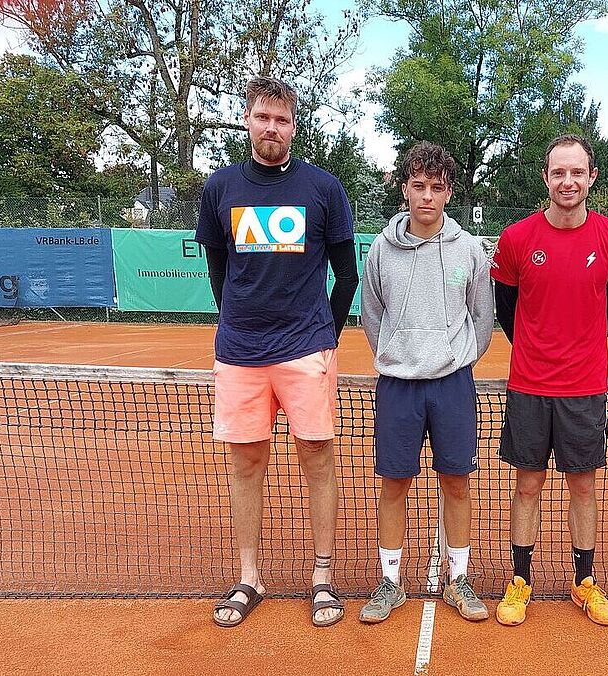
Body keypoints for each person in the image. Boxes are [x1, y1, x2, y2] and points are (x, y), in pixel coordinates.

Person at [195, 76, 359, 629]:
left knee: (318, 456)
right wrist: (237, 318)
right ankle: (249, 577)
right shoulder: (219, 189)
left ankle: (322, 576)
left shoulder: (323, 189)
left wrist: (323, 334)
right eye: (263, 117)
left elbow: (346, 272)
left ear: (294, 126)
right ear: (247, 120)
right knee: (246, 462)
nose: (272, 128)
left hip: (305, 348)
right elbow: (218, 268)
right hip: (240, 350)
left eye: (282, 120)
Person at [490, 134, 608, 627]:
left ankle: (584, 580)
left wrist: (578, 348)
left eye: (577, 172)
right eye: (558, 172)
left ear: (592, 177)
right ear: (546, 178)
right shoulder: (516, 239)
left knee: (583, 486)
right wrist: (537, 347)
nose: (567, 181)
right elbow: (506, 310)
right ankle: (521, 579)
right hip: (529, 385)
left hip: (585, 387)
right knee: (527, 484)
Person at [357, 142, 495, 624]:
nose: (427, 197)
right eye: (418, 186)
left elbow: (483, 315)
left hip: (453, 385)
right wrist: (396, 354)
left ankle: (459, 578)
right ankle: (390, 583)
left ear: (448, 193)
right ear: (404, 190)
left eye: (436, 188)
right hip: (398, 386)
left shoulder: (469, 248)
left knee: (456, 482)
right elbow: (371, 313)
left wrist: (457, 358)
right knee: (394, 484)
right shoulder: (380, 249)